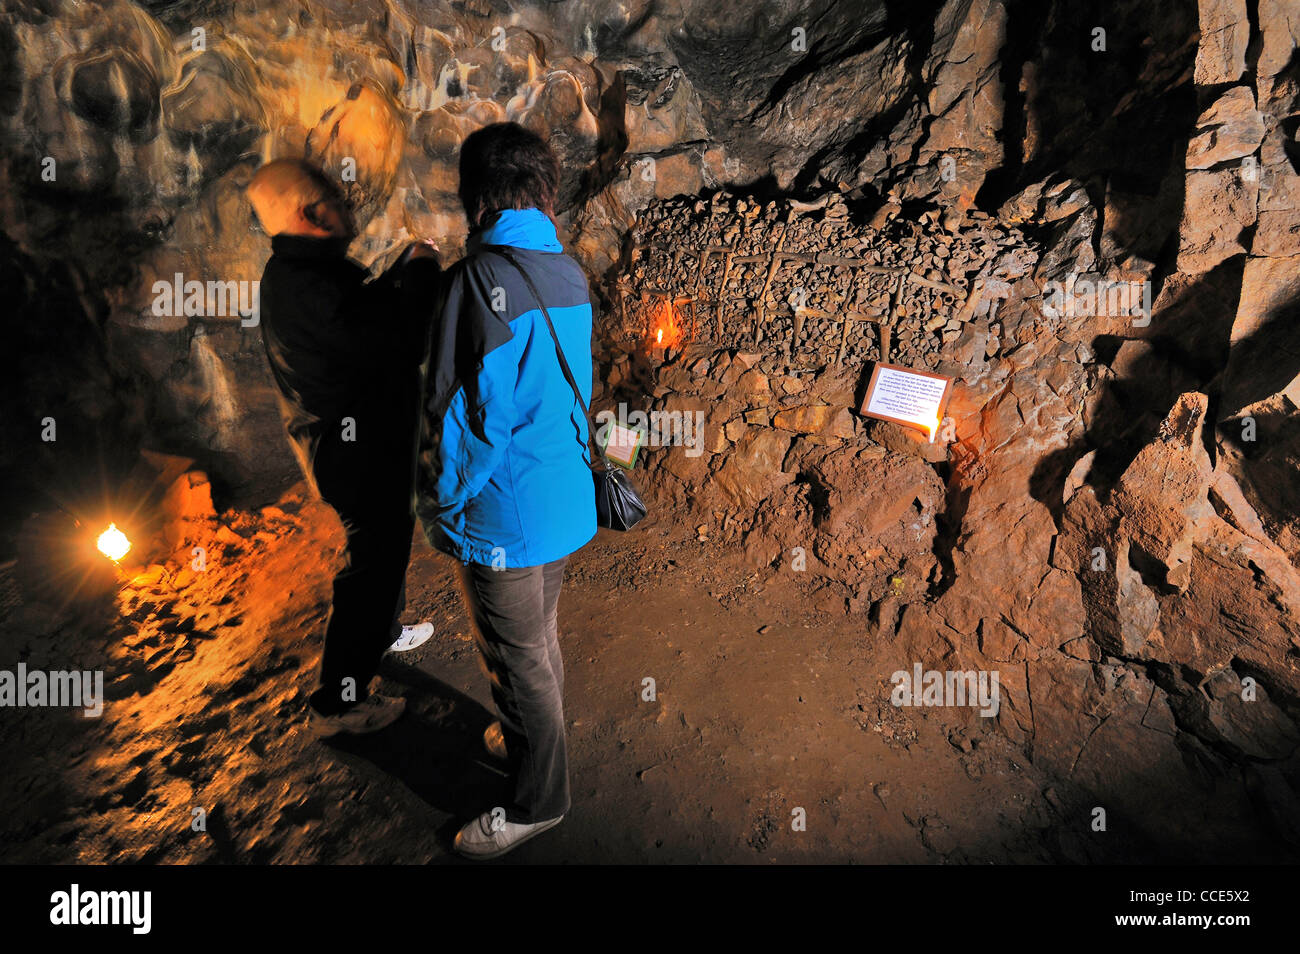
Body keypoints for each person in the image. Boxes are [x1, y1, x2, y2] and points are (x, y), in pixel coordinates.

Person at [415, 123, 596, 859]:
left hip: (506, 517)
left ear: (478, 197)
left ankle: (539, 801)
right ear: (544, 192)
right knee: (537, 638)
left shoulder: (474, 285)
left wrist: (441, 504)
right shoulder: (569, 273)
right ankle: (535, 734)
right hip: (563, 499)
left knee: (515, 655)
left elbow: (467, 422)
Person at [247, 158, 441, 739]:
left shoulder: (301, 271)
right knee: (370, 571)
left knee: (384, 555)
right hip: (355, 455)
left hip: (355, 446)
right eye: (336, 197)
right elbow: (401, 343)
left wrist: (400, 269)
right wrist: (426, 271)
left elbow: (362, 318)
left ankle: (381, 633)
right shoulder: (310, 285)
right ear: (311, 213)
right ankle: (338, 703)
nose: (347, 203)